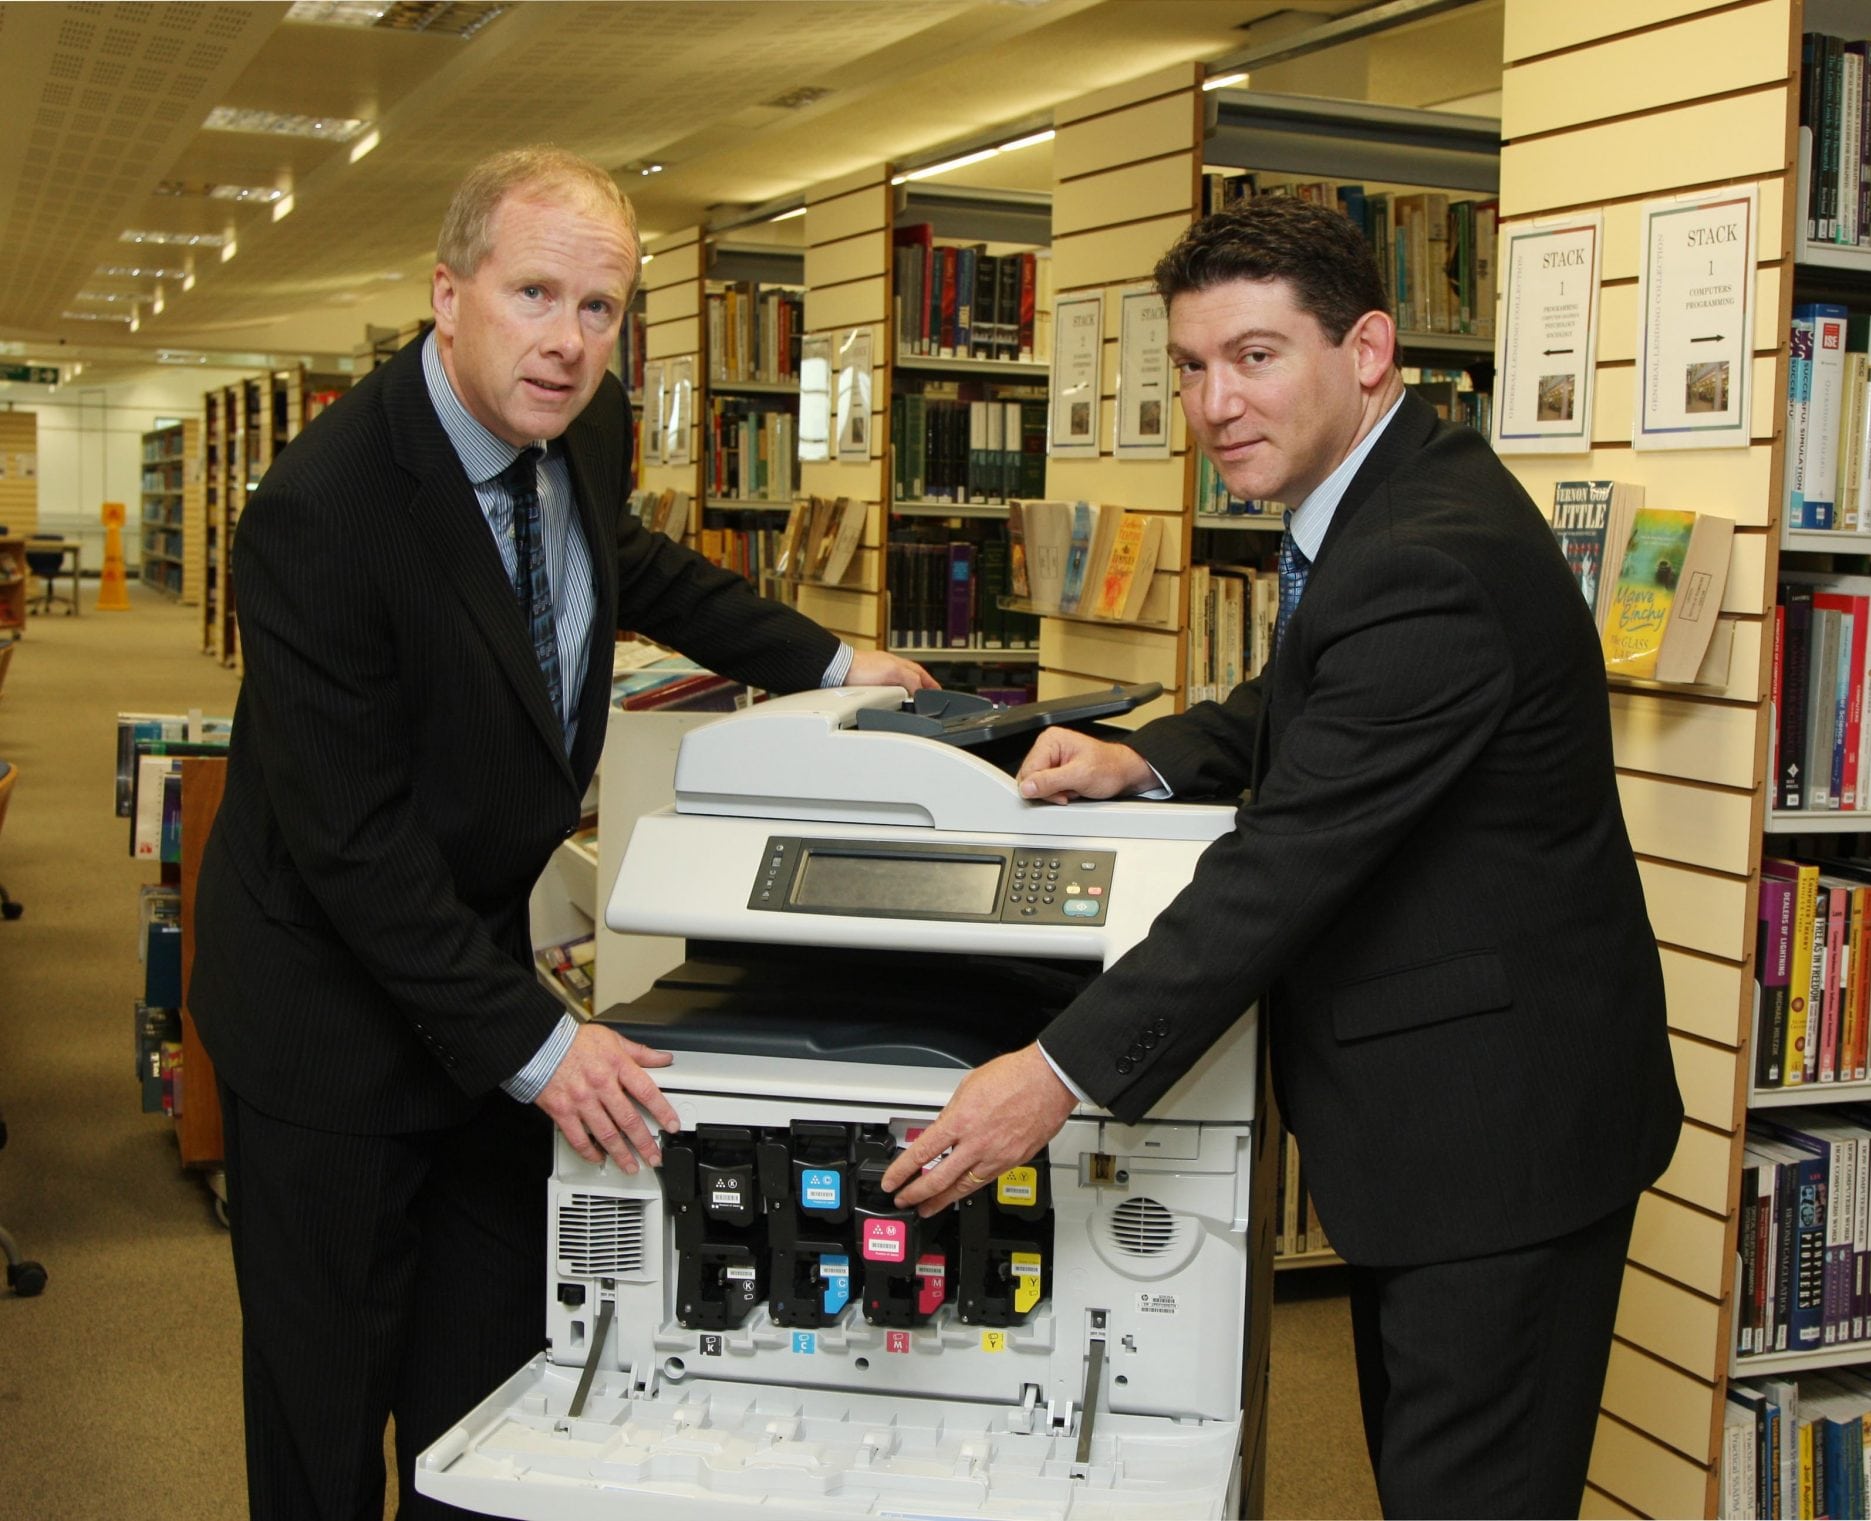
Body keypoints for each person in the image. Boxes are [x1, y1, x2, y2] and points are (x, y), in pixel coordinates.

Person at [882, 197, 1681, 1517]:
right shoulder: (1395, 493)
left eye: (1255, 356)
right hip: (1450, 1130)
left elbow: (1284, 869)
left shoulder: (1425, 558)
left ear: (1365, 349)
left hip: (1500, 1147)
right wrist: (1153, 752)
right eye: (1193, 365)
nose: (1213, 402)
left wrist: (1053, 1072)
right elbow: (1310, 697)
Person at [190, 145, 932, 1520]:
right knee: (327, 1408)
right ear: (449, 292)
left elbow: (634, 564)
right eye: (534, 292)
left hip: (470, 986)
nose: (567, 340)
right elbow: (352, 844)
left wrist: (832, 665)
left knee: (500, 1386)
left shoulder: (576, 426)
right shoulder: (322, 509)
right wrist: (543, 1046)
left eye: (599, 308)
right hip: (327, 1017)